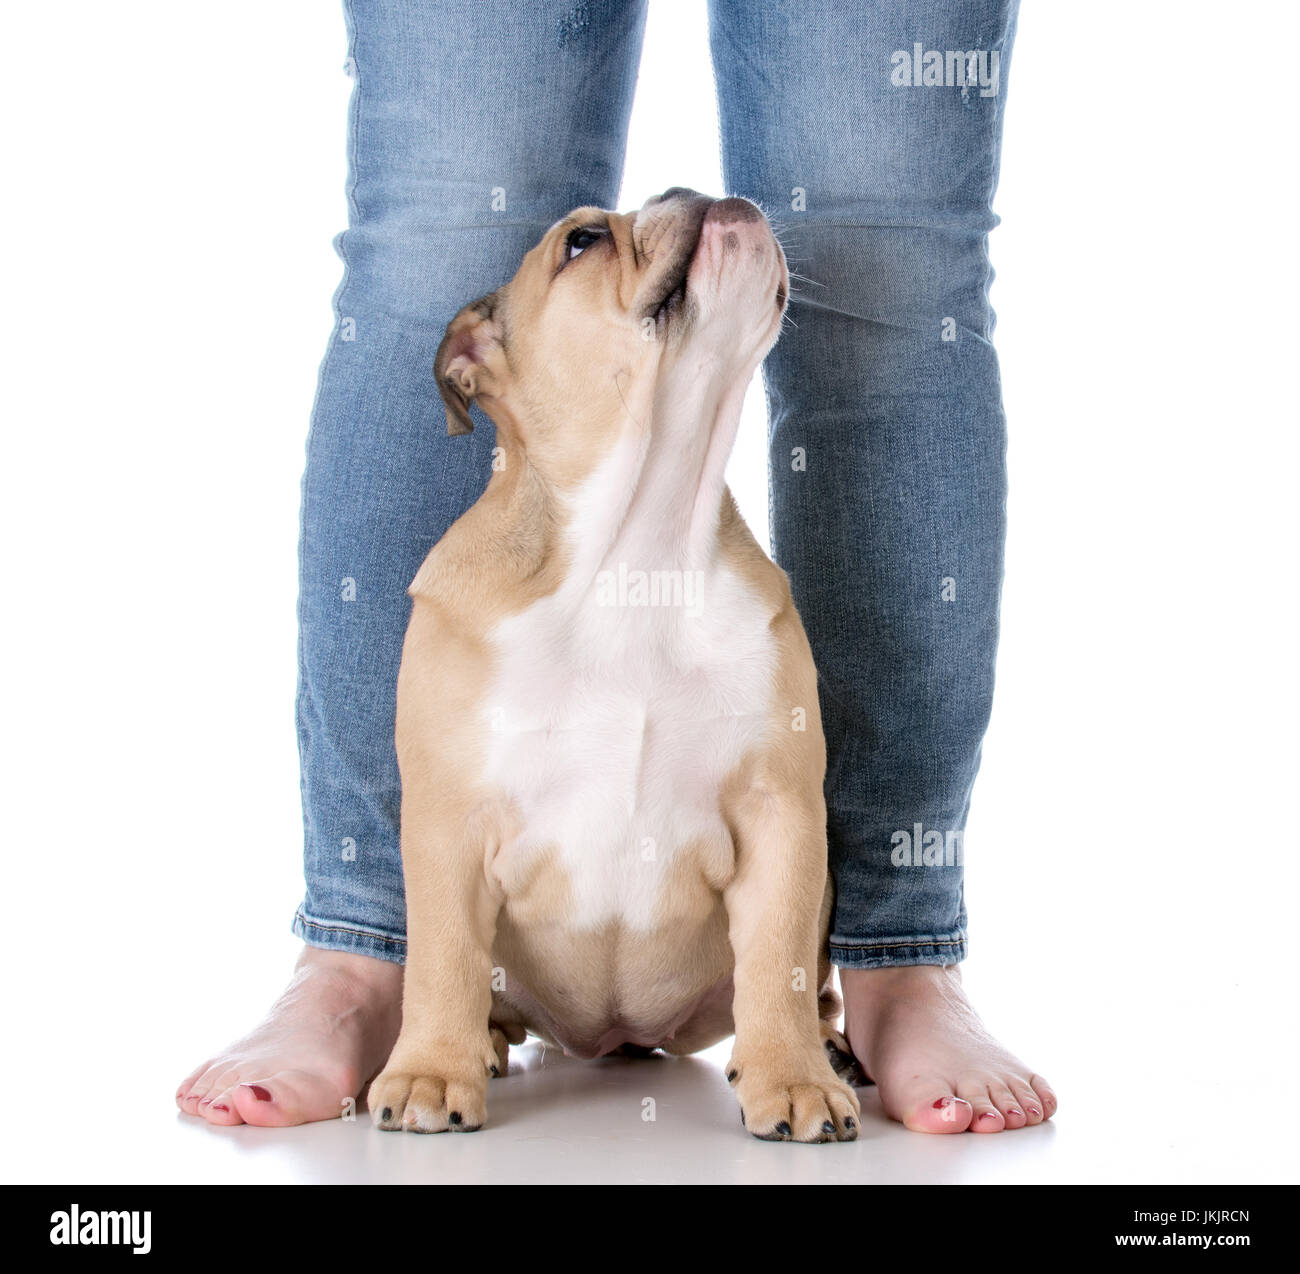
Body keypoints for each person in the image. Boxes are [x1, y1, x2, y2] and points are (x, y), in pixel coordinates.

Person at [176, 0, 1056, 1135]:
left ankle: (887, 962)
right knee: (449, 206)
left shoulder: (755, 619)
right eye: (591, 243)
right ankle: (375, 957)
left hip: (711, 955)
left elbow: (771, 811)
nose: (641, 232)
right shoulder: (469, 616)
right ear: (478, 366)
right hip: (523, 927)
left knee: (880, 241)